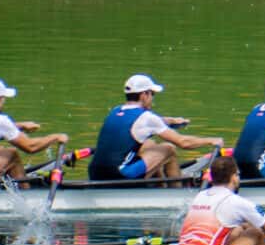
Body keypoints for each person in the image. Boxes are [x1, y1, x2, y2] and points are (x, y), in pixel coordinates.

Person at [89, 73, 224, 181]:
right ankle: (176, 194)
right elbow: (183, 142)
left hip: (94, 172)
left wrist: (172, 121)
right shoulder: (147, 117)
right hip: (119, 175)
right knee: (169, 149)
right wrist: (211, 140)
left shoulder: (115, 111)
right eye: (152, 94)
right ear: (144, 95)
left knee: (149, 144)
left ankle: (158, 187)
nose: (153, 98)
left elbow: (147, 123)